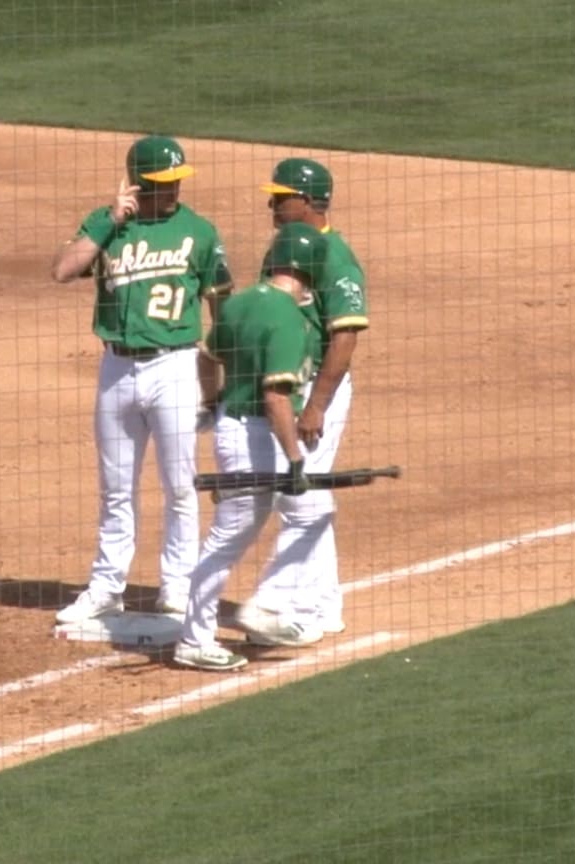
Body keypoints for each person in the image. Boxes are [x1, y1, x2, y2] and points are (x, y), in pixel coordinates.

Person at [50, 134, 233, 624]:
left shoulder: (199, 231)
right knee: (115, 488)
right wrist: (112, 220)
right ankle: (107, 586)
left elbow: (222, 307)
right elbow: (63, 269)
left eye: (176, 182)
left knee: (179, 485)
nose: (172, 192)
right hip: (116, 368)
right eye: (160, 184)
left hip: (175, 365)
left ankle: (177, 586)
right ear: (136, 184)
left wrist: (216, 378)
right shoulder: (108, 225)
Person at [171, 223, 326, 672]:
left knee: (311, 513)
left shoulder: (239, 304)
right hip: (258, 437)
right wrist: (296, 459)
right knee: (228, 538)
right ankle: (195, 639)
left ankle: (267, 610)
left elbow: (207, 356)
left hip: (235, 428)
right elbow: (276, 397)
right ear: (310, 272)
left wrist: (213, 400)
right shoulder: (289, 320)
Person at [238, 157, 369, 640]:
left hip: (320, 390)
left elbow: (346, 336)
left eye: (282, 197)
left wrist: (317, 405)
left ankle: (289, 606)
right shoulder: (285, 247)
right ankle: (321, 605)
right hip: (289, 387)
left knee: (301, 494)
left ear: (311, 202)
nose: (272, 205)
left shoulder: (334, 256)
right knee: (306, 493)